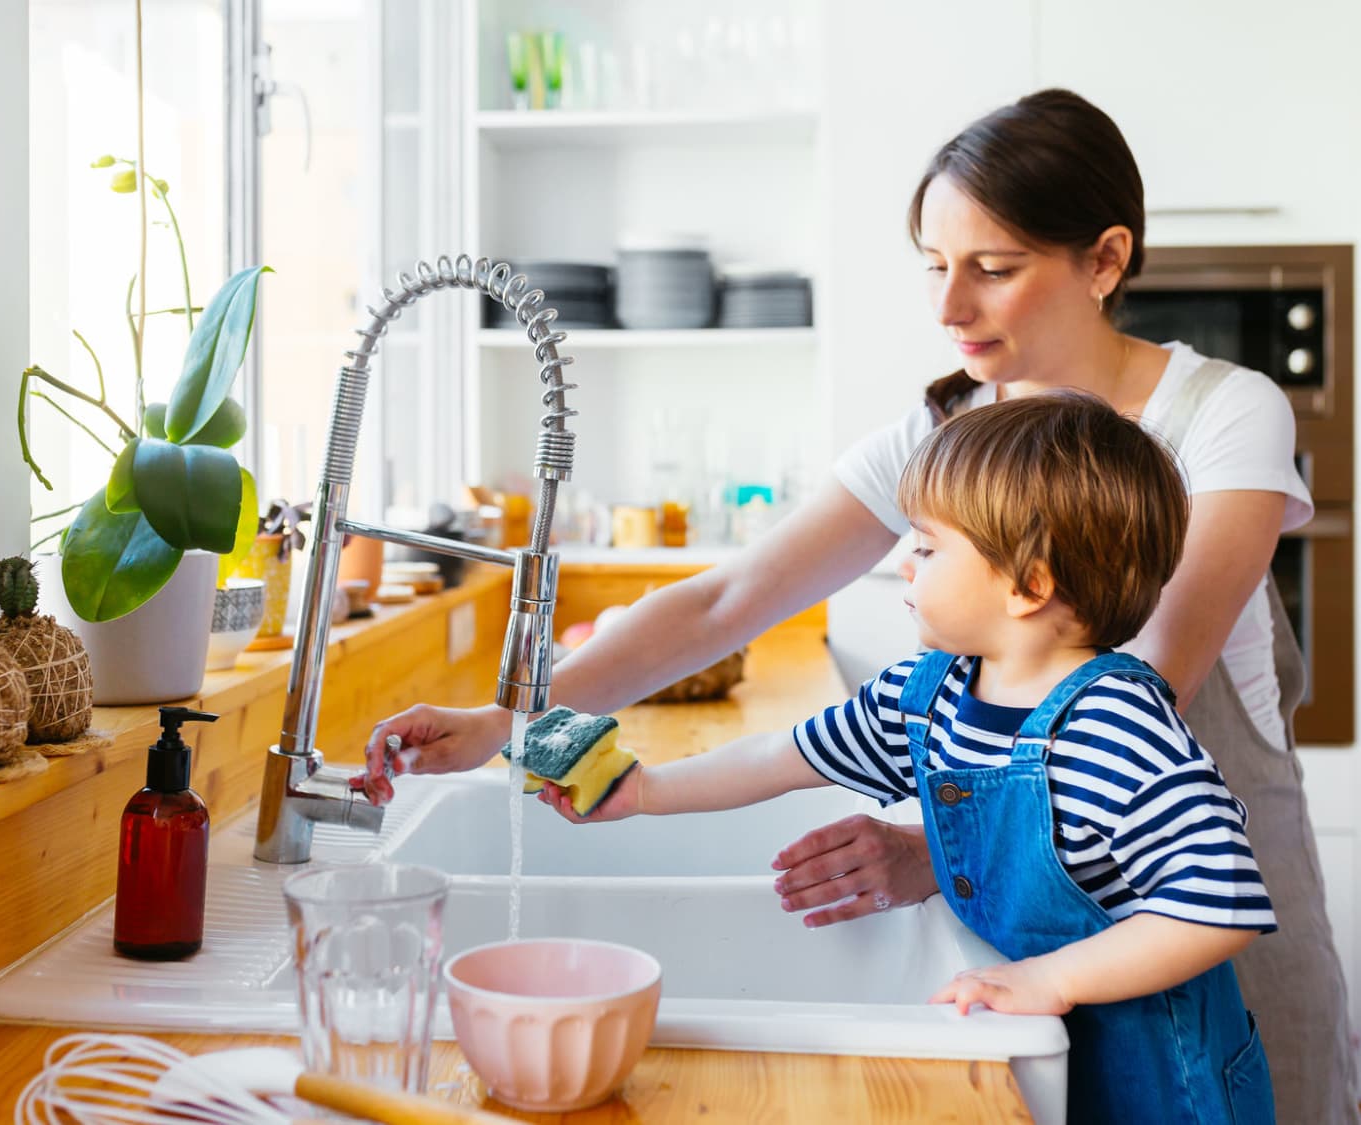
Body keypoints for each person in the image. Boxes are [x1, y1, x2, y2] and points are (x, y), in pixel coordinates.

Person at [363, 89, 1357, 1123]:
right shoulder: (947, 444)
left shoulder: (1222, 414)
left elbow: (1145, 680)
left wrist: (951, 846)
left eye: (995, 269)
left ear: (1104, 261)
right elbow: (728, 603)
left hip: (1203, 920)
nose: (947, 308)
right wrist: (511, 723)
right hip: (1028, 944)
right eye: (935, 265)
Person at [537, 392, 1275, 1123]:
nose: (902, 563)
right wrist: (648, 789)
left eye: (926, 547)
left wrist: (1052, 979)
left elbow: (1219, 907)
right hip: (1047, 1046)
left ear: (1029, 584)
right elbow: (779, 755)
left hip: (1167, 1085)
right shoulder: (929, 695)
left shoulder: (1116, 726)